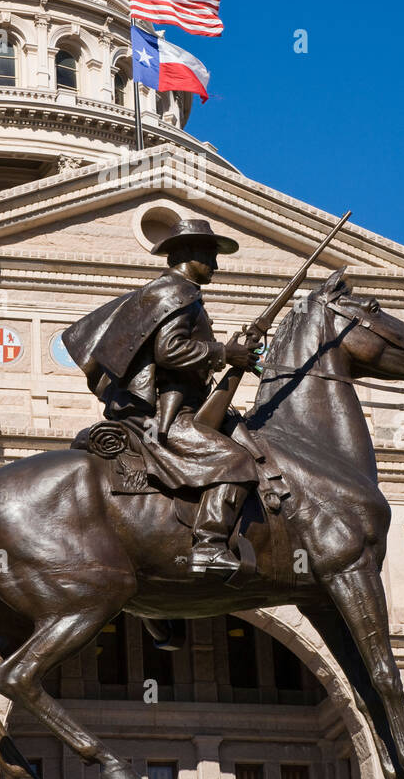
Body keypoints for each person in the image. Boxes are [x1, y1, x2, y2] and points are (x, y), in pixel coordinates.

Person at [63, 218, 263, 573]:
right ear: (188, 253)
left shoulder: (169, 292)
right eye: (210, 256)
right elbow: (169, 351)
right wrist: (223, 354)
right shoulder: (179, 293)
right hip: (164, 414)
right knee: (236, 461)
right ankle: (209, 543)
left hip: (174, 404)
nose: (215, 266)